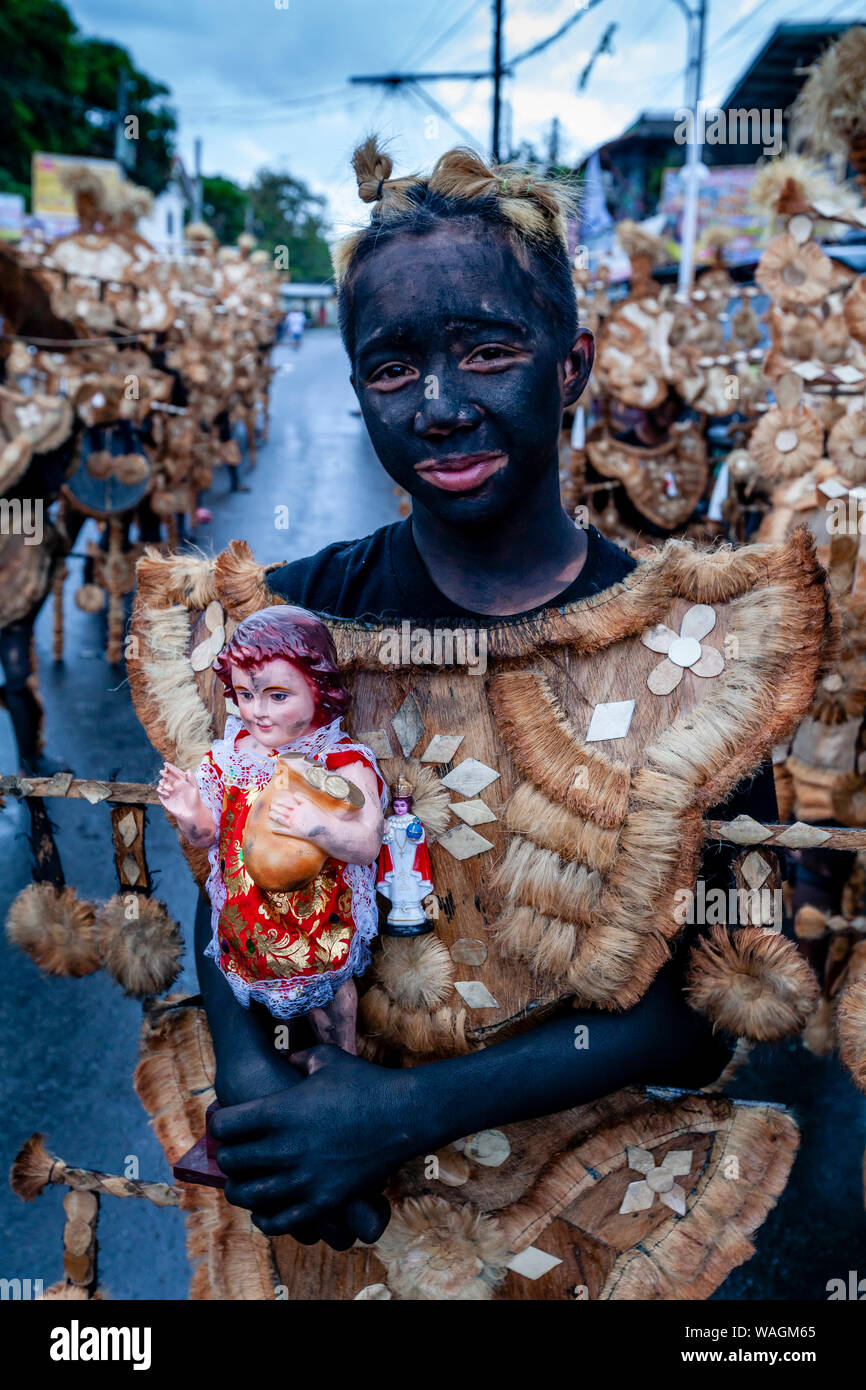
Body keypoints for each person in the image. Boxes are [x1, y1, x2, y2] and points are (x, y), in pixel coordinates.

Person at [197, 139, 819, 1271]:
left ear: (571, 365)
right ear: (353, 389)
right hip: (331, 1205)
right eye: (391, 369)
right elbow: (225, 874)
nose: (437, 407)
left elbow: (703, 1000)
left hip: (590, 1211)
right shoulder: (291, 623)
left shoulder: (693, 656)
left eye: (487, 350)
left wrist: (399, 1112)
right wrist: (255, 1097)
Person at [159, 605, 386, 1051]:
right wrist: (189, 813)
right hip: (249, 916)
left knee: (330, 1004)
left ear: (318, 690)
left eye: (278, 696)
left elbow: (365, 846)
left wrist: (316, 826)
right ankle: (276, 1066)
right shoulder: (231, 757)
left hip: (318, 922)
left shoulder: (339, 762)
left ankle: (341, 1067)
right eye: (245, 694)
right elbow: (209, 837)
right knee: (262, 1019)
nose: (257, 712)